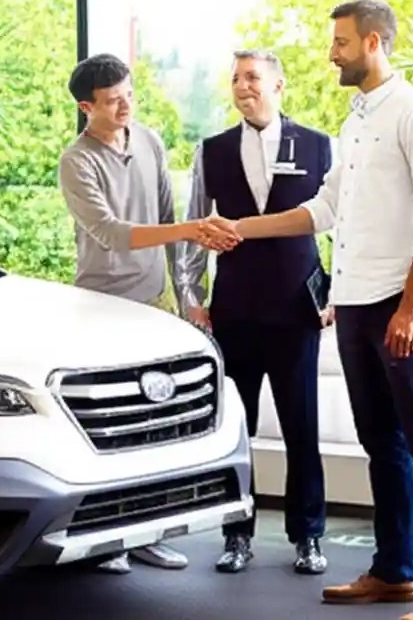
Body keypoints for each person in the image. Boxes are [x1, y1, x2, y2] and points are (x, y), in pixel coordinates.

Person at [211, 0, 413, 620]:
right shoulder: (356, 121)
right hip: (353, 304)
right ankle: (395, 572)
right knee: (380, 442)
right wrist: (239, 229)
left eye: (341, 42)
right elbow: (321, 212)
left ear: (375, 43)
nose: (332, 52)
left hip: (400, 301)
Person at [57, 52, 236, 575]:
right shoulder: (77, 161)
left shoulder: (151, 142)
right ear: (86, 106)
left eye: (129, 95)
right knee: (115, 434)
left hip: (153, 304)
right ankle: (110, 542)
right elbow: (111, 233)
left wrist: (185, 299)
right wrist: (189, 229)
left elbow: (165, 220)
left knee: (158, 428)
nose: (124, 106)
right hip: (102, 306)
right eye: (112, 101)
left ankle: (148, 533)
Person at [176, 49, 332, 575]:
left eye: (253, 78)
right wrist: (191, 299)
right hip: (235, 311)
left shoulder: (317, 145)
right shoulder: (212, 150)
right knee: (234, 431)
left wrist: (337, 291)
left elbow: (343, 223)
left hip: (296, 312)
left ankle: (308, 536)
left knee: (300, 430)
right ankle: (236, 534)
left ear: (279, 85)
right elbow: (196, 225)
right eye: (237, 78)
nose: (243, 86)